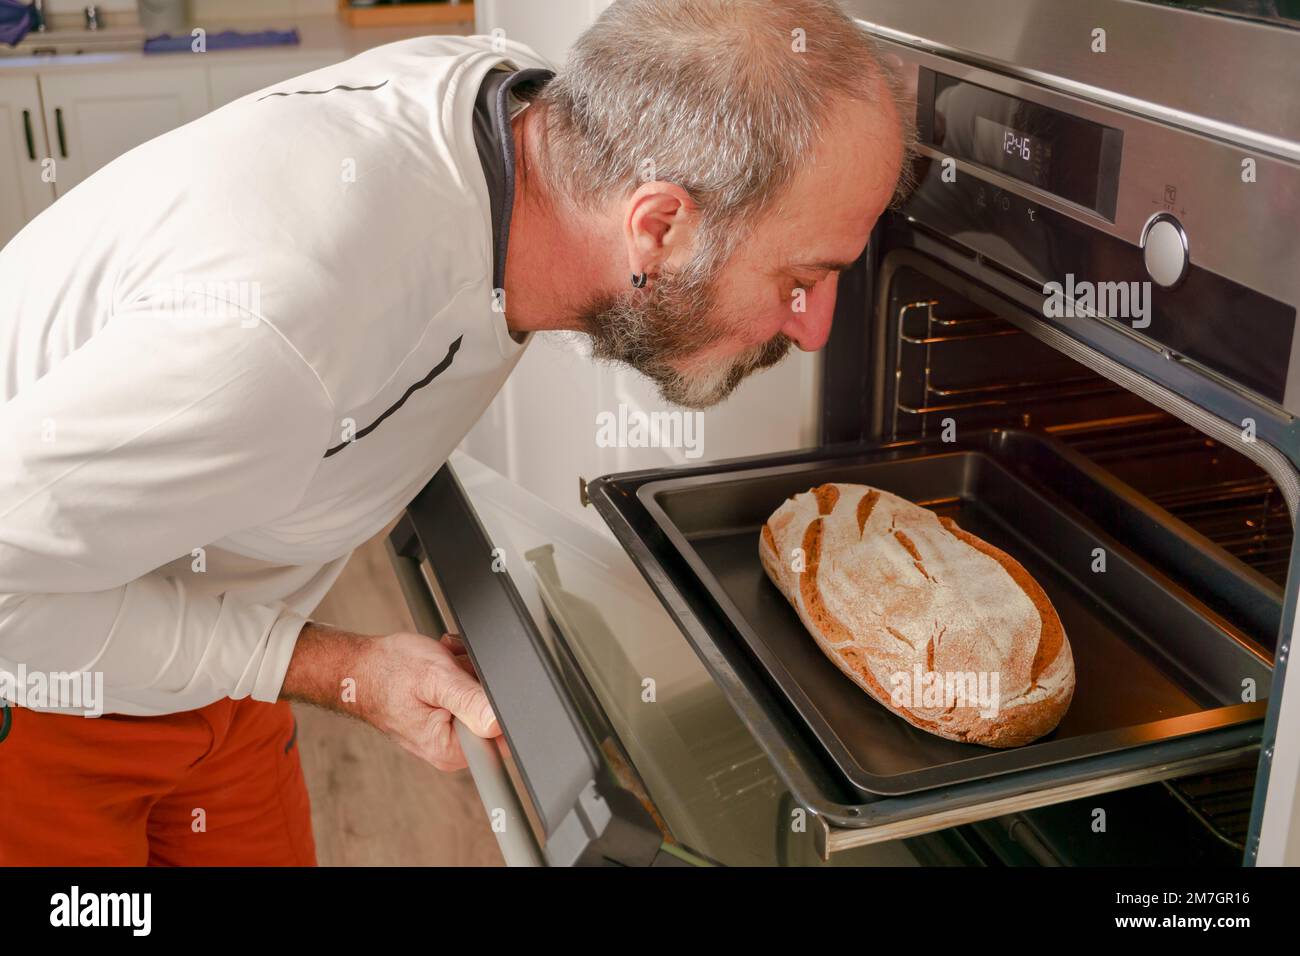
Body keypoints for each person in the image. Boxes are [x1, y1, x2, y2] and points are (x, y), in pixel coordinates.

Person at [0, 0, 907, 864]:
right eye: (803, 275)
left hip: (214, 653)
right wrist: (332, 665)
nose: (816, 326)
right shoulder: (282, 335)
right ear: (659, 226)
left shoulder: (531, 119)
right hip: (41, 695)